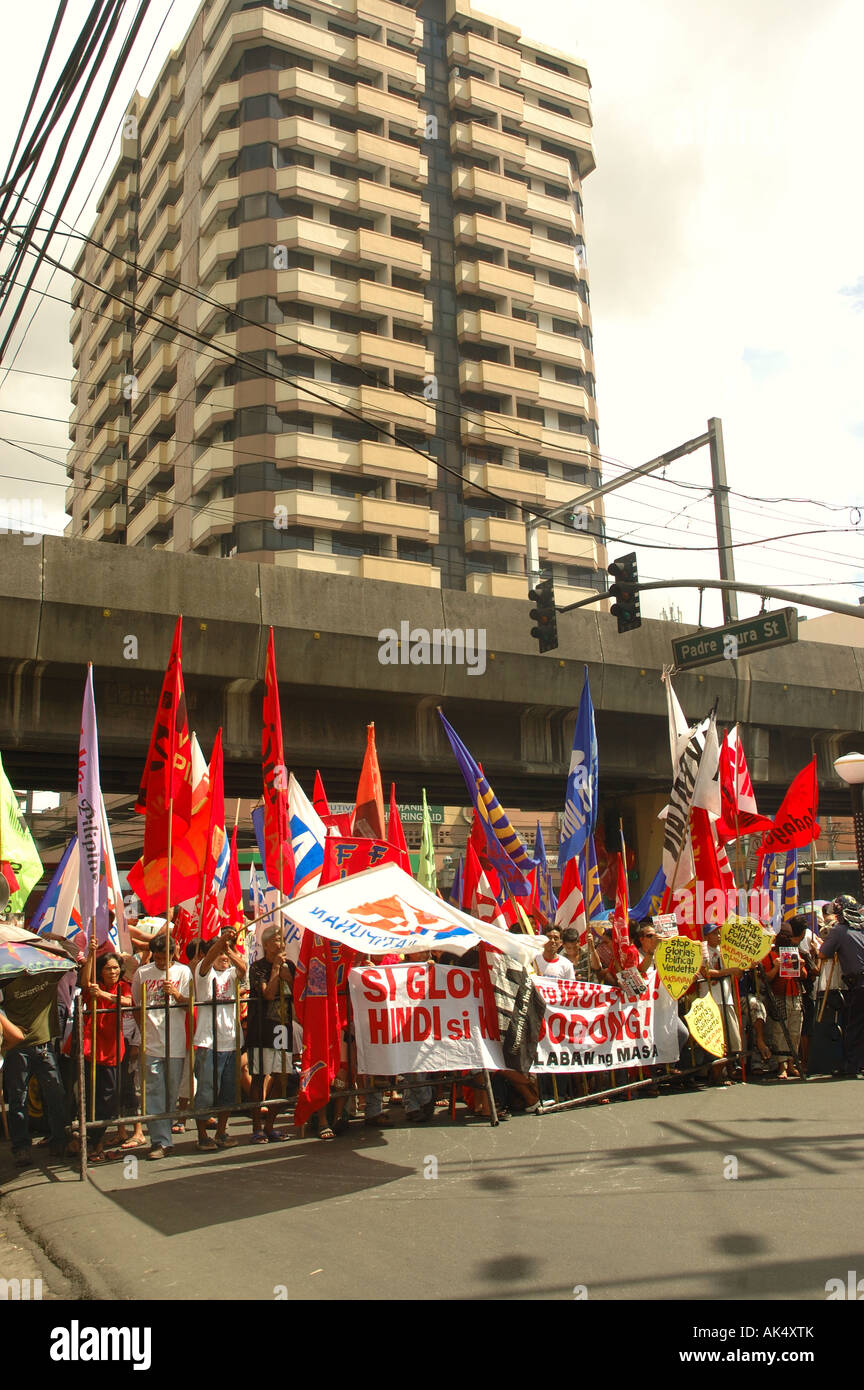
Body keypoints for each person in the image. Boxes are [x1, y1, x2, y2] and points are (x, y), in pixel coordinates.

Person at [130, 934, 192, 1160]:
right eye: (156, 958)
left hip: (175, 1041)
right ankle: (160, 1140)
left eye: (163, 958)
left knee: (171, 1092)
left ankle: (165, 1137)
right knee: (153, 1092)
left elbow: (189, 1003)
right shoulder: (142, 973)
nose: (160, 962)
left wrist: (176, 994)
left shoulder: (183, 972)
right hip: (152, 1042)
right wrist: (144, 1030)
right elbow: (136, 1005)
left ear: (173, 953)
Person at [0, 967, 68, 1165]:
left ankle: (59, 1140)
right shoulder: (6, 982)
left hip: (44, 1046)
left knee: (56, 1095)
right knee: (17, 1100)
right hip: (16, 1049)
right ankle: (21, 1148)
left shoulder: (49, 973)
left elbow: (72, 961)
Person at [192, 927, 247, 1151]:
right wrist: (221, 942)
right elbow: (207, 961)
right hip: (208, 1041)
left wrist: (229, 950)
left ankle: (222, 1131)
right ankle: (202, 1134)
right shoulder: (203, 971)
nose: (224, 958)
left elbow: (243, 969)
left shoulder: (232, 972)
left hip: (231, 1041)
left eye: (227, 954)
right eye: (220, 954)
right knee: (205, 1092)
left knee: (228, 1092)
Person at [245, 926, 294, 1142]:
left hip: (283, 1027)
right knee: (259, 1076)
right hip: (261, 1028)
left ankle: (270, 1125)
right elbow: (267, 994)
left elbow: (299, 990)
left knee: (281, 1076)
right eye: (275, 939)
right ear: (265, 945)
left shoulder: (289, 965)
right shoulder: (257, 968)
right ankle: (256, 1126)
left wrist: (288, 976)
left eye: (282, 939)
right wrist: (275, 970)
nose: (280, 942)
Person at [819, 894, 864, 1079]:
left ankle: (851, 1065)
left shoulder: (839, 930)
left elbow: (823, 954)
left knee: (853, 1026)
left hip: (859, 983)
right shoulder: (861, 929)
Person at [698, 925, 742, 1085]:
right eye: (715, 933)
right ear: (707, 935)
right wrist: (729, 971)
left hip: (726, 997)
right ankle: (716, 1074)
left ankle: (728, 1070)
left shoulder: (725, 950)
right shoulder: (702, 950)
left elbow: (738, 971)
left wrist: (741, 967)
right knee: (717, 1039)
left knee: (731, 1038)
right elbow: (706, 972)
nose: (718, 936)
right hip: (711, 998)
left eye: (719, 933)